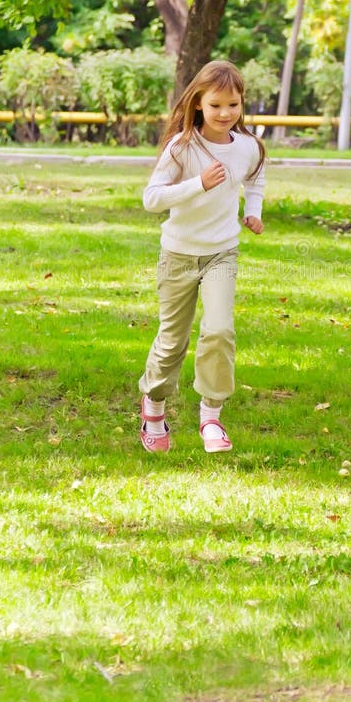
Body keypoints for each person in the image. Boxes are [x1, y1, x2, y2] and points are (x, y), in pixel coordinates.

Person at [138, 59, 266, 454]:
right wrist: (198, 184)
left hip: (221, 254)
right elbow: (152, 199)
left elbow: (256, 176)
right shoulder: (183, 147)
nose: (225, 113)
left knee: (220, 330)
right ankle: (153, 408)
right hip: (178, 254)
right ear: (198, 104)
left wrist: (253, 211)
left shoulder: (248, 146)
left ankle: (211, 414)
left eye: (233, 104)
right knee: (172, 340)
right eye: (216, 105)